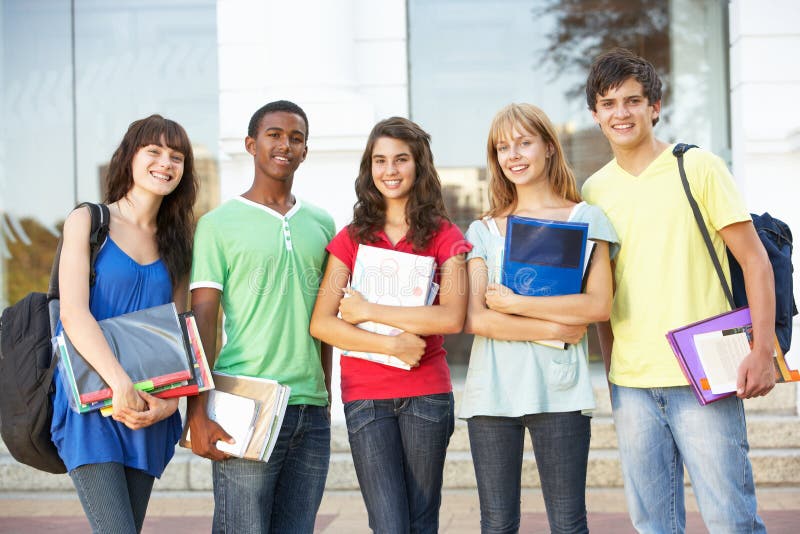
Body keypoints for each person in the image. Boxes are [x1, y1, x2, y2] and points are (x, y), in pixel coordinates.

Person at [582, 48, 775, 533]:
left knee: (731, 521)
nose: (620, 113)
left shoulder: (699, 168)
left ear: (655, 106)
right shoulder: (593, 192)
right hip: (632, 384)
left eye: (632, 101)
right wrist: (611, 375)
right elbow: (605, 294)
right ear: (595, 115)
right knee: (653, 526)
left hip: (705, 376)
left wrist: (763, 349)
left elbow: (756, 260)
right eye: (608, 104)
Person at [460, 103, 618, 534]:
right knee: (497, 524)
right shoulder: (483, 230)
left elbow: (598, 306)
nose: (513, 155)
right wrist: (554, 327)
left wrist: (516, 304)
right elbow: (478, 319)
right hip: (491, 392)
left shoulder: (586, 219)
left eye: (524, 142)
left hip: (560, 391)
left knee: (568, 524)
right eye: (502, 147)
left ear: (549, 146)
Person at [310, 116, 470, 533]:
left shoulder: (444, 235)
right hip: (366, 396)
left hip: (427, 395)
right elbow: (323, 324)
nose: (390, 170)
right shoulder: (350, 238)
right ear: (369, 169)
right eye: (380, 161)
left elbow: (451, 315)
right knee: (388, 525)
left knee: (421, 522)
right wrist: (391, 346)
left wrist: (368, 310)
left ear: (419, 165)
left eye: (401, 159)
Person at [187, 100, 334, 534]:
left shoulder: (323, 223)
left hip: (311, 410)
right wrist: (196, 411)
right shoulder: (218, 224)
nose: (285, 144)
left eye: (296, 137)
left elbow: (325, 320)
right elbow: (202, 323)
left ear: (305, 150)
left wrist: (325, 396)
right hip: (242, 402)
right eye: (274, 134)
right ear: (251, 144)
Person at [52, 114, 197, 533]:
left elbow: (177, 328)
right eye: (153, 151)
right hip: (94, 399)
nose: (165, 163)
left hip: (150, 409)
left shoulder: (179, 241)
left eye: (177, 156)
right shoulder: (88, 220)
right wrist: (119, 383)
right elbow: (73, 312)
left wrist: (171, 403)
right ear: (130, 158)